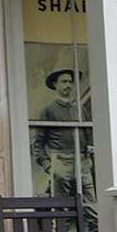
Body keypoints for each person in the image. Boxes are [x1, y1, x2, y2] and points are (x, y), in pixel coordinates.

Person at [29, 67, 93, 198]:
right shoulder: (48, 110)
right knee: (62, 205)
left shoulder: (80, 110)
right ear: (55, 84)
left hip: (82, 160)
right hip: (60, 160)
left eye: (70, 82)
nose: (68, 85)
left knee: (90, 204)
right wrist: (48, 165)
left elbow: (89, 135)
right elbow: (38, 144)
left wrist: (90, 149)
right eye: (64, 82)